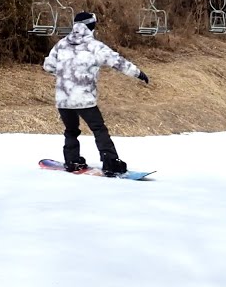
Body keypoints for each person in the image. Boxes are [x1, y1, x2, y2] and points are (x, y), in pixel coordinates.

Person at [42, 12, 149, 176]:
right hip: (84, 98)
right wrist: (138, 73)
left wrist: (65, 74)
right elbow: (118, 62)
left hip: (63, 99)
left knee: (71, 130)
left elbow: (48, 66)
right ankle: (111, 162)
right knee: (99, 129)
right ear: (91, 26)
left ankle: (72, 160)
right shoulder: (94, 46)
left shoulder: (61, 44)